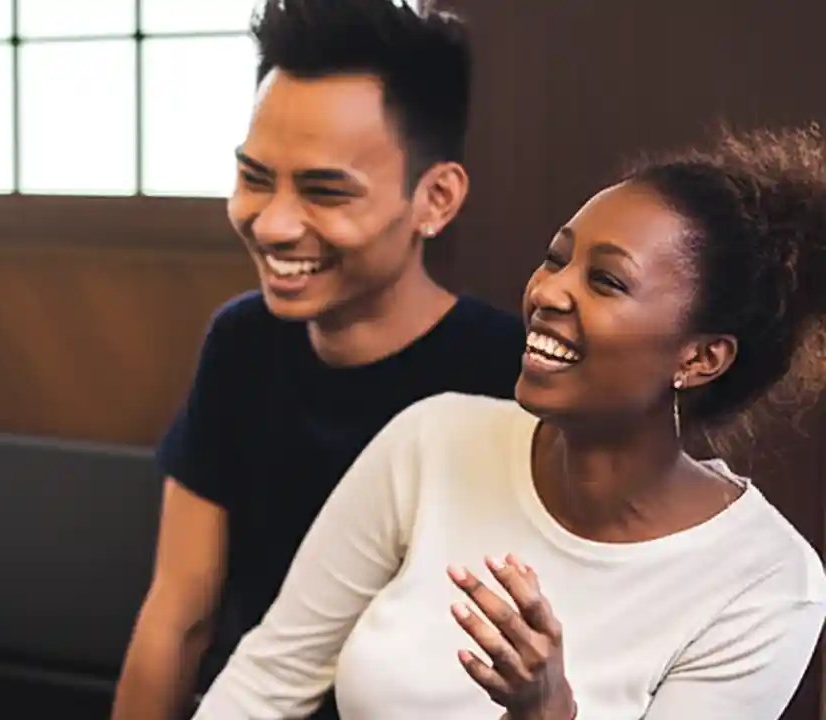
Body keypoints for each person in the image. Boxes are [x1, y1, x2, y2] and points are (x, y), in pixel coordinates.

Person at [192, 124, 826, 719]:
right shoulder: (432, 440)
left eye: (605, 280)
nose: (547, 292)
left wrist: (546, 712)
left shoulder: (767, 582)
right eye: (557, 259)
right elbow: (267, 680)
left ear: (700, 357)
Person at [110, 1, 525, 719]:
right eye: (255, 178)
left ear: (436, 198)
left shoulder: (510, 375)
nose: (271, 223)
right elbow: (179, 612)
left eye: (325, 192)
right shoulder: (241, 342)